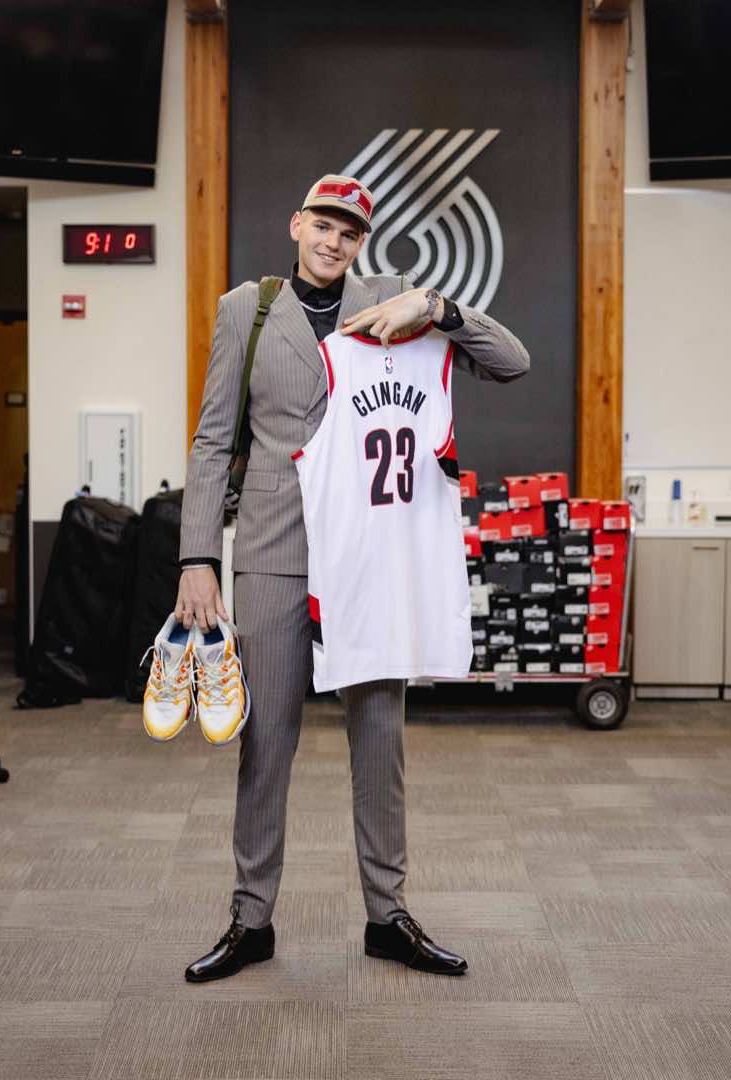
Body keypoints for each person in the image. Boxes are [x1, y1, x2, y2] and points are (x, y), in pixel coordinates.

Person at [176, 173, 530, 982]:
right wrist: (198, 558)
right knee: (265, 742)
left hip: (372, 556)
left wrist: (437, 308)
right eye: (323, 224)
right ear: (297, 223)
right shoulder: (248, 310)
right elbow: (209, 445)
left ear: (363, 241)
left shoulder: (396, 300)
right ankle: (250, 916)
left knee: (380, 740)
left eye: (350, 230)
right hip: (274, 548)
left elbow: (511, 363)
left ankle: (387, 914)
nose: (333, 241)